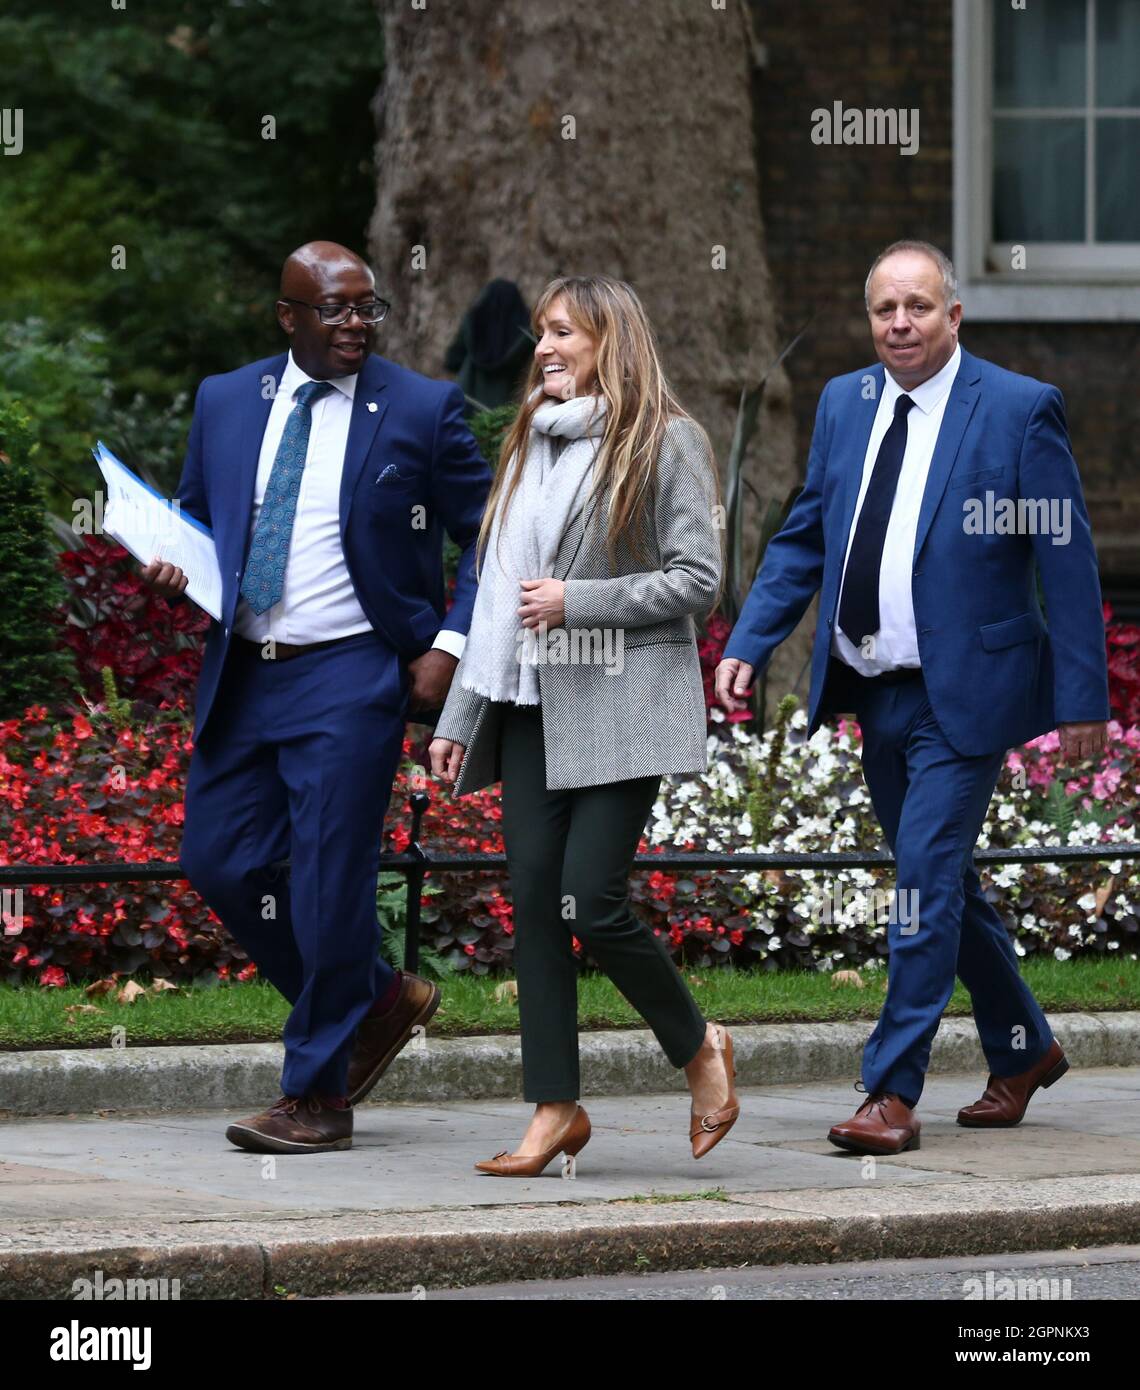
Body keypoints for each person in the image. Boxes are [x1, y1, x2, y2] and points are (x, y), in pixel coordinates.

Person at [716, 240, 1109, 1155]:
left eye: (919, 307)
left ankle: (890, 1091)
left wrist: (1083, 697)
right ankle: (1026, 1047)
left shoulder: (1016, 410)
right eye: (885, 309)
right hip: (876, 689)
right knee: (944, 885)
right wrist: (749, 639)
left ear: (954, 315)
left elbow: (1070, 563)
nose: (900, 324)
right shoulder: (844, 403)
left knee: (922, 882)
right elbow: (806, 533)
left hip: (966, 695)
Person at [141, 241, 491, 1154]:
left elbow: (491, 536)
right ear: (287, 316)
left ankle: (318, 1097)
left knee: (330, 885)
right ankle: (376, 996)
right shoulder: (226, 399)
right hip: (247, 667)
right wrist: (175, 562)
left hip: (351, 673)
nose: (353, 327)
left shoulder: (419, 407)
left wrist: (449, 644)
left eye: (366, 309)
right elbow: (198, 517)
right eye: (332, 310)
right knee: (218, 860)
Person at [429, 274, 739, 1176]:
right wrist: (461, 710)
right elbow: (495, 591)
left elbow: (697, 578)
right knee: (533, 906)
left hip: (619, 699)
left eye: (564, 331)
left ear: (612, 340)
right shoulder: (530, 439)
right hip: (527, 703)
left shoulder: (668, 439)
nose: (545, 348)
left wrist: (581, 602)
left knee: (589, 900)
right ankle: (554, 1109)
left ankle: (697, 1045)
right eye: (540, 333)